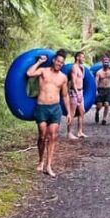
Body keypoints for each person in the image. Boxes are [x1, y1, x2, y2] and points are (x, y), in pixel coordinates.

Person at [26, 49, 71, 177]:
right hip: (42, 107)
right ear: (54, 60)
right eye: (58, 61)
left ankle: (48, 165)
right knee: (42, 136)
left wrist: (68, 113)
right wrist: (39, 62)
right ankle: (40, 160)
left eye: (62, 62)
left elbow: (65, 95)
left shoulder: (63, 77)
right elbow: (29, 73)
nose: (59, 64)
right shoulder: (43, 71)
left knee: (53, 136)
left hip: (55, 108)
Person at [67, 51, 88, 139]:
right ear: (77, 58)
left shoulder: (80, 67)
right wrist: (76, 93)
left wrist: (83, 70)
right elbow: (74, 82)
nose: (83, 59)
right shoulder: (74, 68)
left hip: (81, 91)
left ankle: (80, 132)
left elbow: (81, 78)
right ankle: (69, 133)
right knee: (72, 113)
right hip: (75, 92)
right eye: (82, 57)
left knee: (82, 111)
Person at [94, 55, 110, 125]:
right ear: (102, 62)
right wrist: (95, 90)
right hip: (100, 90)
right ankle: (97, 112)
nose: (106, 62)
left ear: (109, 62)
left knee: (106, 104)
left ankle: (104, 119)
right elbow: (96, 82)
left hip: (108, 90)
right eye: (105, 61)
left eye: (107, 61)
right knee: (99, 105)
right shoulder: (99, 72)